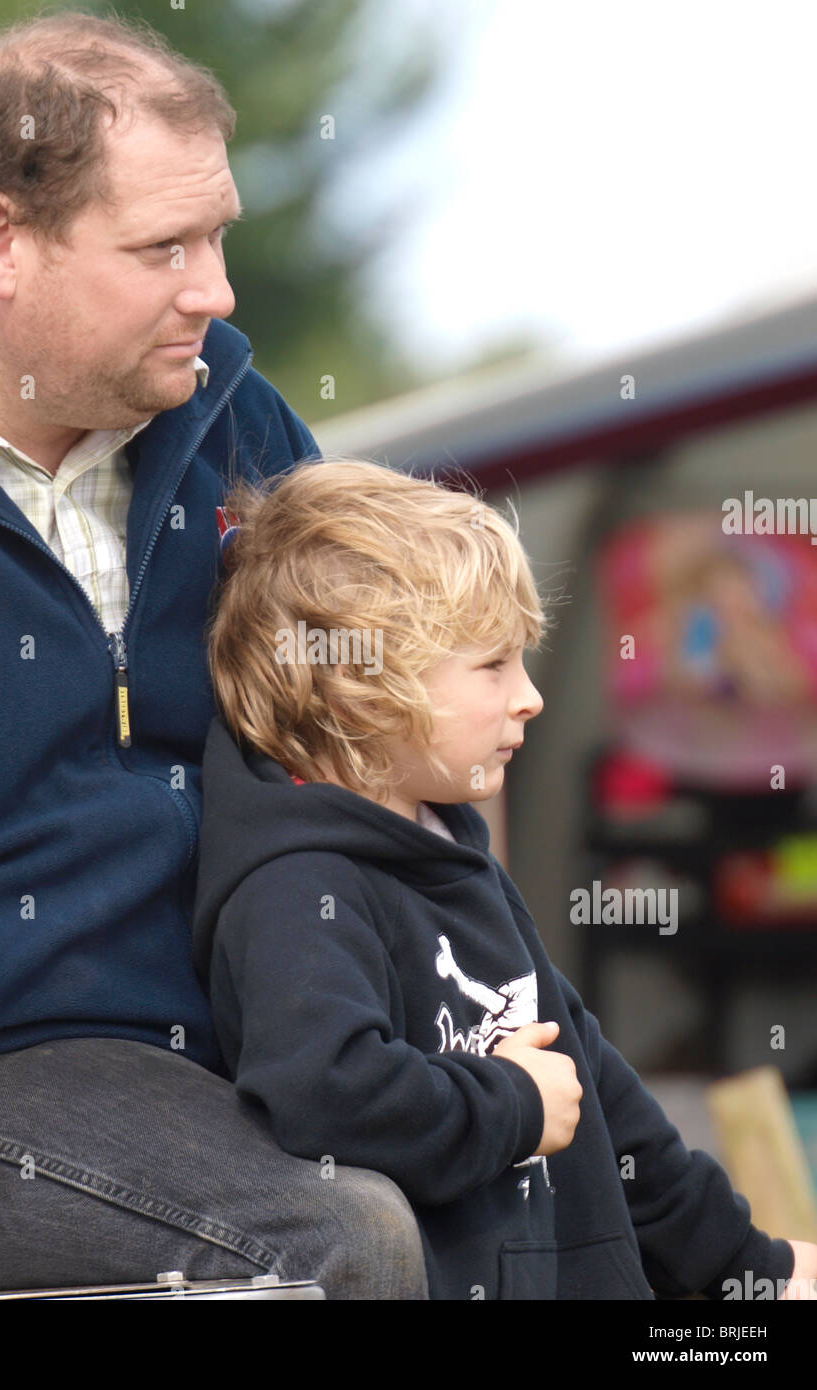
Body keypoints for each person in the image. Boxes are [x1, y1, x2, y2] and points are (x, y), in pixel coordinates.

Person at [0, 12, 428, 1299]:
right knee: (341, 1238)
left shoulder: (235, 417)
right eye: (165, 247)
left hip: (246, 1042)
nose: (217, 291)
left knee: (524, 1171)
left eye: (215, 234)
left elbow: (379, 745)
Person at [193, 457, 817, 1300]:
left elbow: (602, 1103)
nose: (529, 697)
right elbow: (324, 1094)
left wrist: (752, 1269)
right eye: (491, 666)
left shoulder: (452, 855)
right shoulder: (295, 888)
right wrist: (512, 1107)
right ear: (353, 688)